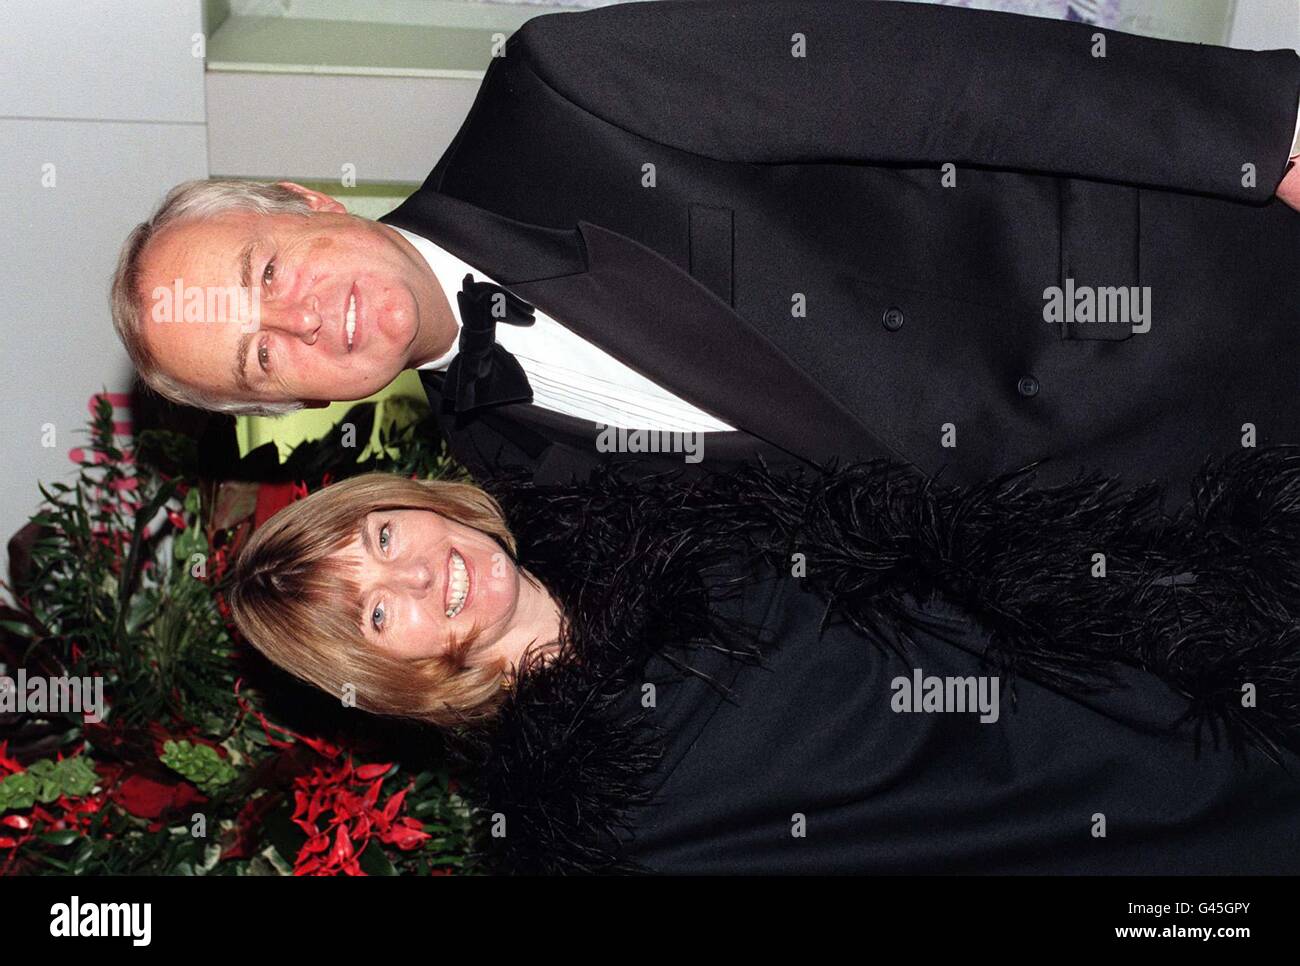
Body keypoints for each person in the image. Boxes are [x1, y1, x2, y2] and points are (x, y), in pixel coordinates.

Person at [111, 0, 1300, 491]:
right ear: (270, 408)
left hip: (1212, 277)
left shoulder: (556, 95)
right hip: (1210, 496)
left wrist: (1264, 132)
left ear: (302, 201)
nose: (299, 323)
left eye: (263, 277)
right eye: (258, 360)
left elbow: (938, 79)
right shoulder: (505, 468)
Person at [226, 445, 1300, 874]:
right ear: (386, 677)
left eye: (379, 539)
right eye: (372, 616)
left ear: (414, 503)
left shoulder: (666, 503)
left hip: (1195, 679)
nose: (412, 577)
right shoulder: (583, 838)